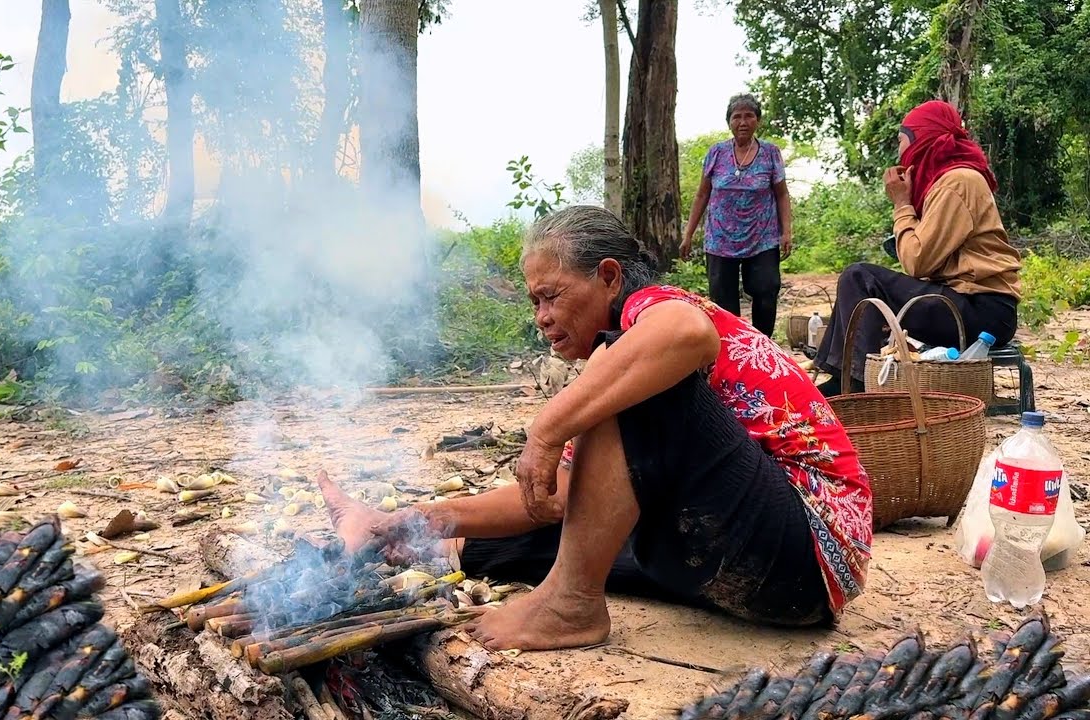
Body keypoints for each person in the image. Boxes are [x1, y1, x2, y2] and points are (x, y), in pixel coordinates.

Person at [319, 205, 872, 651]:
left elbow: (688, 332)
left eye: (551, 295)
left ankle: (570, 604)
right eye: (534, 302)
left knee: (624, 373)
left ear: (609, 277)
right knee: (585, 513)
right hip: (748, 563)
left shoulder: (656, 309)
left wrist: (546, 428)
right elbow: (557, 500)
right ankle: (413, 539)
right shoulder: (625, 364)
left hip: (808, 549)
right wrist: (421, 519)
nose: (541, 317)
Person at [813, 100, 1022, 396]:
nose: (899, 153)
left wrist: (902, 205)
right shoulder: (947, 181)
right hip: (968, 303)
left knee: (859, 277)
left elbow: (917, 261)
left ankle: (855, 382)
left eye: (902, 141)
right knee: (860, 281)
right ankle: (842, 373)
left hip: (982, 311)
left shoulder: (957, 182)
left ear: (921, 140)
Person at [681, 94, 794, 338]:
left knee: (766, 290)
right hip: (720, 240)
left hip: (761, 237)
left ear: (758, 121)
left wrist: (786, 231)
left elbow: (782, 195)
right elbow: (702, 195)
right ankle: (732, 350)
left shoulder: (771, 154)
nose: (743, 122)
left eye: (749, 116)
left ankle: (762, 345)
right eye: (737, 117)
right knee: (723, 305)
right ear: (729, 122)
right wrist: (688, 233)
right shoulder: (716, 153)